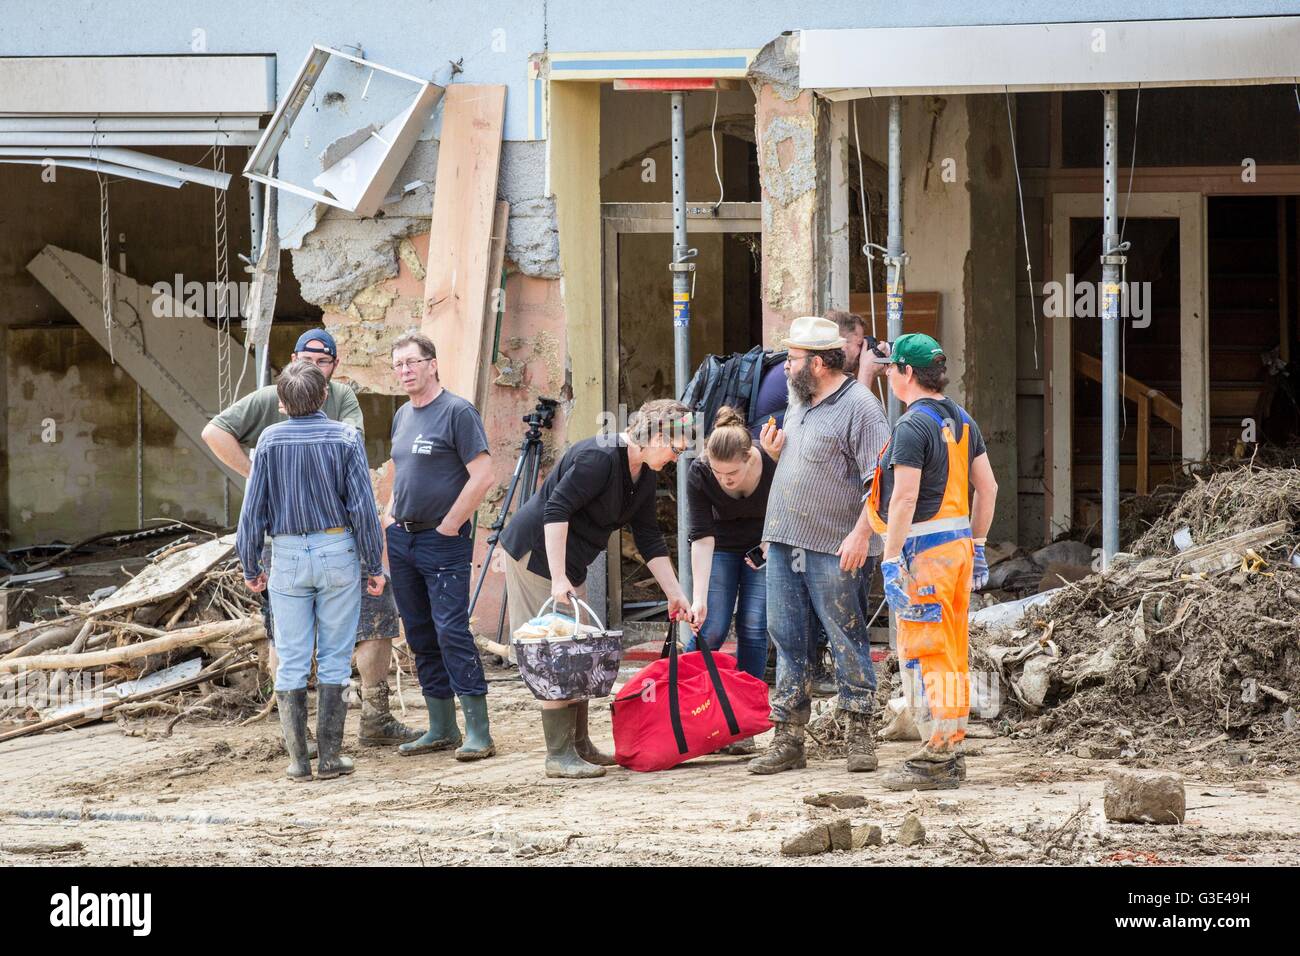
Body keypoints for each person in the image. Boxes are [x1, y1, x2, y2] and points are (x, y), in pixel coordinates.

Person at [202, 329, 419, 748]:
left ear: (333, 369)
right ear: (290, 369)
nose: (314, 368)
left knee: (372, 622)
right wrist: (254, 477)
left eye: (323, 361)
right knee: (291, 640)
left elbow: (351, 486)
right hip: (303, 543)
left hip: (324, 541)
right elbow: (215, 432)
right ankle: (307, 742)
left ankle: (365, 722)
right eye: (306, 359)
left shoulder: (319, 413)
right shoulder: (272, 404)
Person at [500, 398, 692, 779]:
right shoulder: (600, 457)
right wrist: (558, 578)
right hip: (537, 555)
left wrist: (675, 593)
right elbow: (556, 510)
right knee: (558, 651)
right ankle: (558, 754)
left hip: (570, 564)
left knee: (581, 648)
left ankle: (580, 745)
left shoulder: (645, 475)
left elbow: (650, 537)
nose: (678, 454)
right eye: (676, 446)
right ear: (654, 435)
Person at [749, 316, 890, 776]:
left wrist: (862, 533)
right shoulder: (799, 401)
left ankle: (860, 733)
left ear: (816, 363)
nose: (785, 368)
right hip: (786, 539)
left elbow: (879, 482)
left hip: (836, 545)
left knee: (845, 636)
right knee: (788, 639)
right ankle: (788, 738)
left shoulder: (861, 408)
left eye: (791, 360)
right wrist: (776, 454)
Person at [236, 361, 386, 782]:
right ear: (324, 397)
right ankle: (331, 758)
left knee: (293, 658)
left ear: (281, 403)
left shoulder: (267, 440)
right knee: (337, 657)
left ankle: (299, 761)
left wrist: (250, 563)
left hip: (284, 553)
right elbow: (362, 507)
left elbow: (253, 511)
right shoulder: (345, 437)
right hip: (337, 547)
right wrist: (374, 563)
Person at [865, 333, 998, 791]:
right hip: (958, 550)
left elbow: (903, 498)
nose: (887, 376)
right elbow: (989, 488)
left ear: (906, 373)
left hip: (926, 556)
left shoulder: (911, 427)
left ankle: (939, 756)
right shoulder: (962, 420)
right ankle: (951, 743)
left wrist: (887, 561)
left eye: (890, 369)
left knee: (927, 651)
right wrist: (978, 544)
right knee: (953, 649)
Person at [383, 331, 496, 761]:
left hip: (443, 539)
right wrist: (389, 514)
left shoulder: (457, 412)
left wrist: (450, 524)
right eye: (398, 365)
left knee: (451, 629)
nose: (405, 371)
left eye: (412, 362)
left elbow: (482, 475)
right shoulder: (402, 415)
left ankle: (478, 732)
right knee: (419, 631)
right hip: (404, 537)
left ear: (432, 363)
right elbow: (402, 471)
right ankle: (441, 726)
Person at [685, 405, 777, 756]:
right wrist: (698, 598)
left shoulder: (769, 460)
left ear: (749, 456)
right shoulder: (700, 471)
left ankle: (746, 720)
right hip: (719, 547)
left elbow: (785, 508)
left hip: (763, 545)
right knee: (710, 627)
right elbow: (701, 535)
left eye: (733, 473)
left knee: (754, 628)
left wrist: (769, 546)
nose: (725, 480)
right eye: (718, 473)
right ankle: (695, 711)